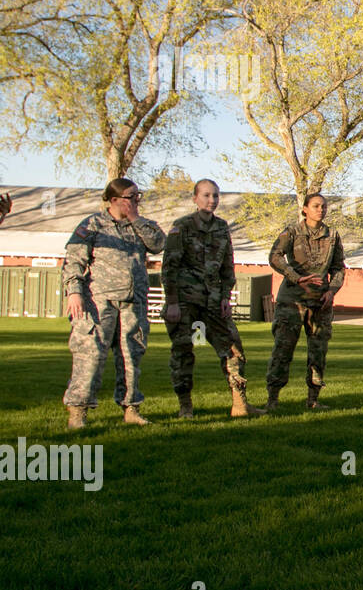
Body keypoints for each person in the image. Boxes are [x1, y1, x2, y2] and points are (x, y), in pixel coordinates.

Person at [61, 178, 166, 428]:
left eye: (138, 196)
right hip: (99, 301)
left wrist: (135, 219)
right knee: (91, 355)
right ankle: (78, 411)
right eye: (131, 197)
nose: (136, 201)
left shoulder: (141, 225)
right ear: (115, 199)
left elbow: (158, 244)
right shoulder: (92, 225)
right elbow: (74, 261)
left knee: (131, 356)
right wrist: (74, 292)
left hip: (133, 303)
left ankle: (131, 408)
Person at [162, 178, 261, 419]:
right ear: (195, 198)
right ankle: (185, 406)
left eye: (215, 196)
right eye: (206, 195)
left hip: (214, 302)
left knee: (233, 348)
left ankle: (240, 404)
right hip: (185, 302)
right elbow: (169, 267)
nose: (212, 200)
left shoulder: (221, 227)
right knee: (183, 352)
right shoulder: (181, 227)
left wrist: (226, 296)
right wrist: (172, 302)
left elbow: (228, 265)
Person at [265, 193, 346, 412]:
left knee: (318, 352)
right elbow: (274, 257)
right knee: (283, 350)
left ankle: (313, 399)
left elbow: (339, 267)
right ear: (305, 209)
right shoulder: (292, 232)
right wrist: (295, 277)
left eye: (324, 206)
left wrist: (332, 290)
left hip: (320, 303)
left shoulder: (333, 235)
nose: (321, 210)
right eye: (316, 206)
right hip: (292, 302)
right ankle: (273, 399)